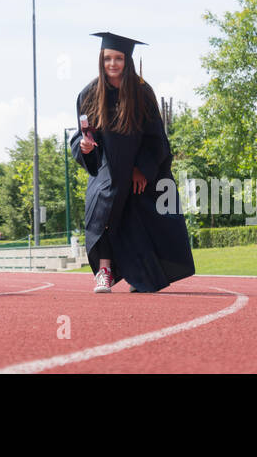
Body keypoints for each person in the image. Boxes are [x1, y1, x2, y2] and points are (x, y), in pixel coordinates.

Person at [73, 32, 194, 293]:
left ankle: (139, 274)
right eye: (108, 58)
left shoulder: (141, 92)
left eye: (118, 58)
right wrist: (84, 147)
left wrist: (143, 169)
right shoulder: (90, 94)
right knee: (103, 202)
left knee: (144, 216)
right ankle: (104, 271)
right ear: (101, 60)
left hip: (139, 167)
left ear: (127, 60)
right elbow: (82, 136)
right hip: (106, 167)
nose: (113, 64)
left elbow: (156, 137)